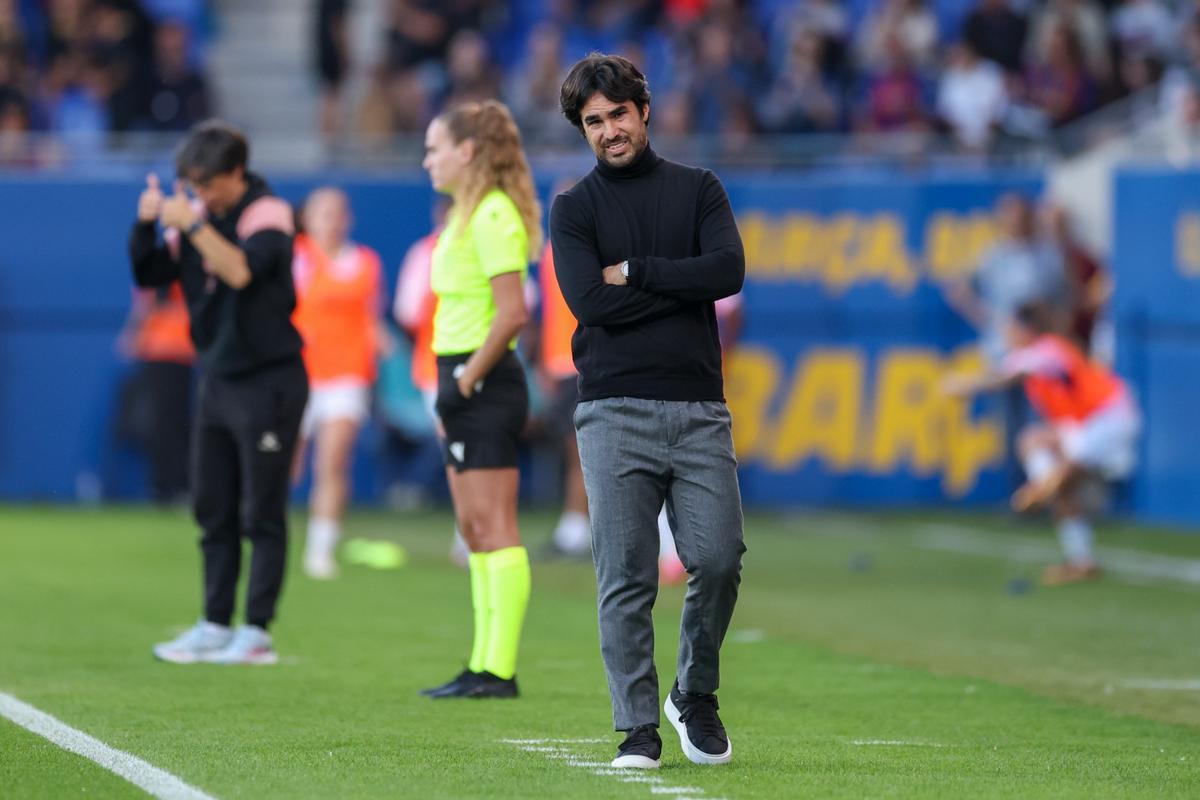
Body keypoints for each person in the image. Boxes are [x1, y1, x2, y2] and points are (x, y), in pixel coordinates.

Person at [551, 53, 746, 769]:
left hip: (698, 407)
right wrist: (680, 282)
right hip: (612, 412)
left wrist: (637, 270)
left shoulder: (698, 189)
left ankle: (694, 691)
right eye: (593, 122)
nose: (608, 131)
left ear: (644, 109)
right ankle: (637, 727)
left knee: (719, 559)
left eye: (617, 115)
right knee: (626, 574)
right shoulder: (574, 208)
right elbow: (589, 304)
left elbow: (726, 272)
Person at [130, 120, 308, 665]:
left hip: (269, 379)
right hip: (219, 379)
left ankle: (255, 631)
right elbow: (149, 272)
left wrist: (195, 226)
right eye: (194, 185)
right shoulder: (198, 214)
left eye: (208, 184)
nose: (200, 194)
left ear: (235, 173)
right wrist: (145, 226)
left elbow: (241, 272)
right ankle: (213, 622)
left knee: (263, 511)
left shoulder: (266, 212)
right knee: (213, 507)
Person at [417, 100, 538, 699]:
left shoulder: (492, 215)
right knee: (473, 526)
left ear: (467, 151)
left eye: (435, 148)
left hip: (482, 381)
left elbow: (514, 312)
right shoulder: (464, 216)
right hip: (459, 377)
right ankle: (481, 663)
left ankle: (499, 669)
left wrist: (465, 383)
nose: (427, 160)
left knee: (495, 525)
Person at [943, 302, 1141, 586]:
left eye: (1011, 328)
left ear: (1027, 329)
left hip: (1109, 415)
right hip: (1084, 423)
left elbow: (1006, 379)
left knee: (1061, 472)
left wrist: (965, 385)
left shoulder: (1048, 349)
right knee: (1032, 442)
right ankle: (1079, 556)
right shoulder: (1024, 356)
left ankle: (1041, 490)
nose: (1007, 333)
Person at [291, 187, 384, 579]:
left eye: (336, 213)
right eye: (321, 213)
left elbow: (371, 315)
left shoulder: (364, 262)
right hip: (296, 375)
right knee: (284, 464)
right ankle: (263, 535)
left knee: (332, 461)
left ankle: (320, 549)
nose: (330, 221)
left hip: (346, 375)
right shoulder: (294, 256)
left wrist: (381, 341)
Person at [115, 282, 195, 504]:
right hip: (172, 349)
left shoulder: (165, 264)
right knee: (170, 422)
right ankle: (169, 485)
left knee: (168, 423)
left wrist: (131, 334)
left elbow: (148, 304)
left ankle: (169, 485)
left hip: (167, 348)